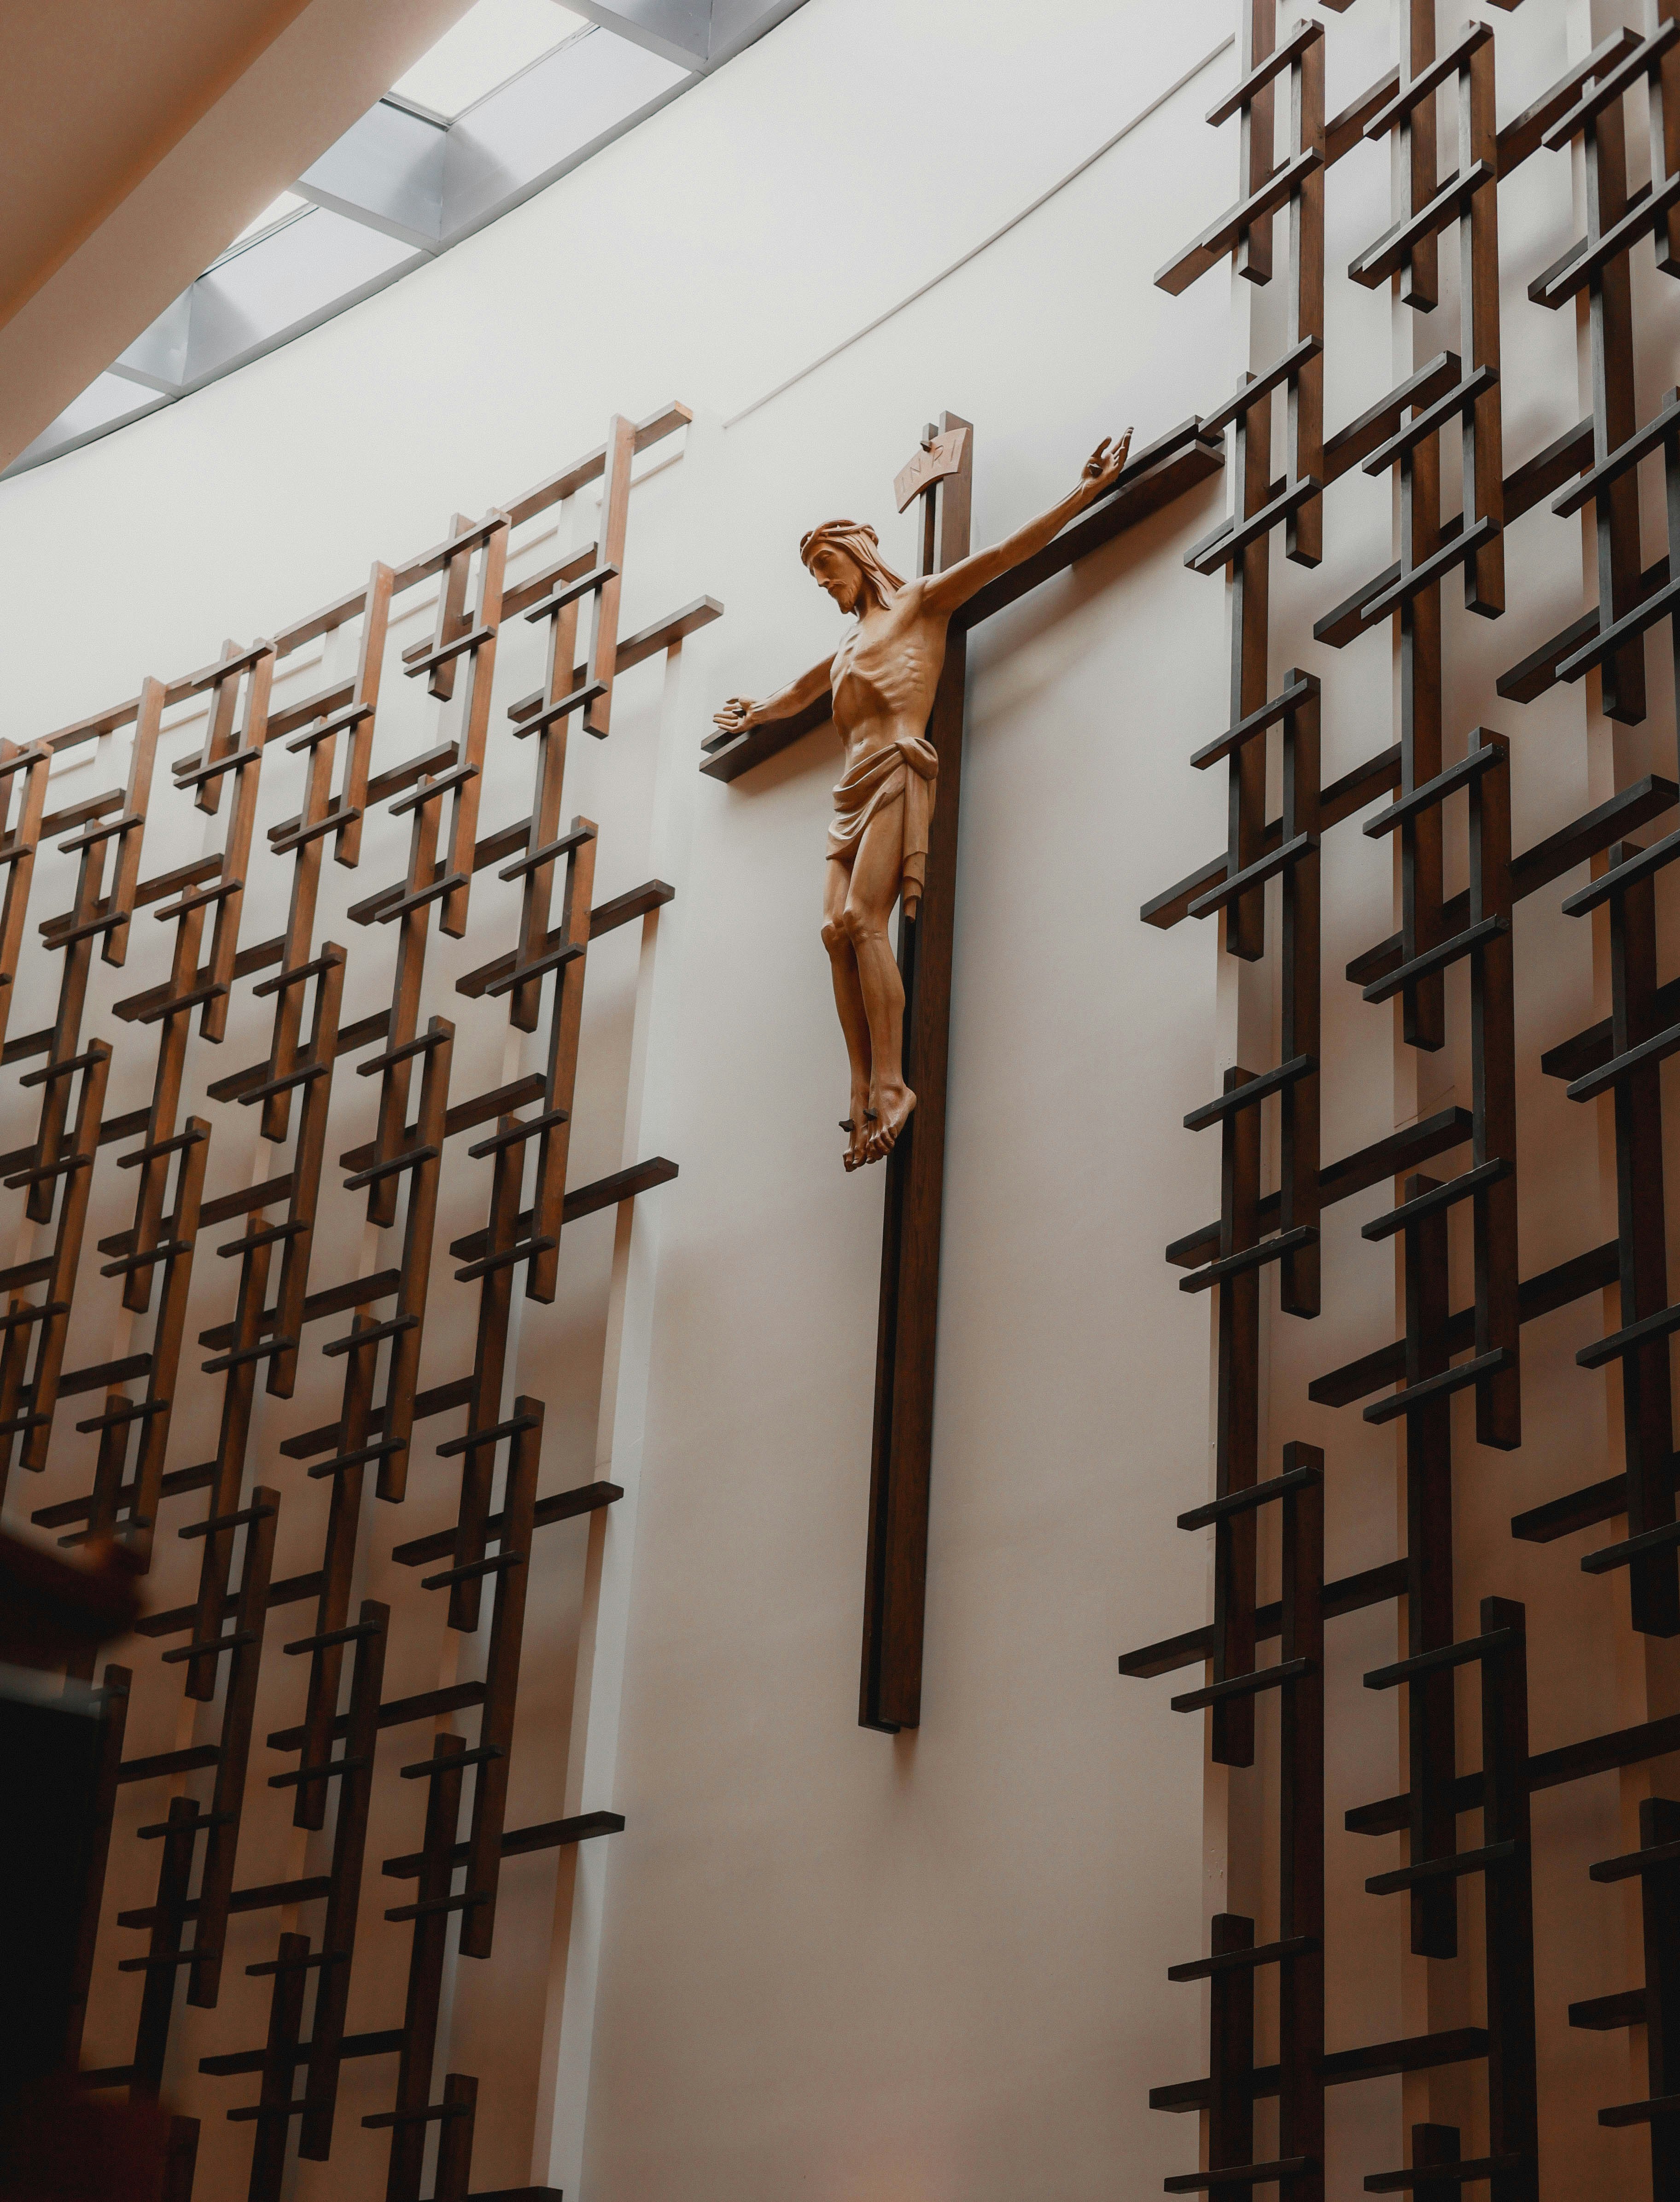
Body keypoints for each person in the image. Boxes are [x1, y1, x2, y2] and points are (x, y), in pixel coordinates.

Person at [713, 429, 1132, 1170]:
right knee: (832, 933)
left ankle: (893, 1083)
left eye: (826, 569)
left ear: (858, 556)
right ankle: (860, 1085)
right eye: (815, 576)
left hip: (898, 772)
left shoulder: (919, 604)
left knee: (860, 918)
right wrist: (757, 711)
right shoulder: (847, 647)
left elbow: (1004, 556)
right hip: (850, 792)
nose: (823, 585)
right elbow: (802, 691)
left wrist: (1083, 492)